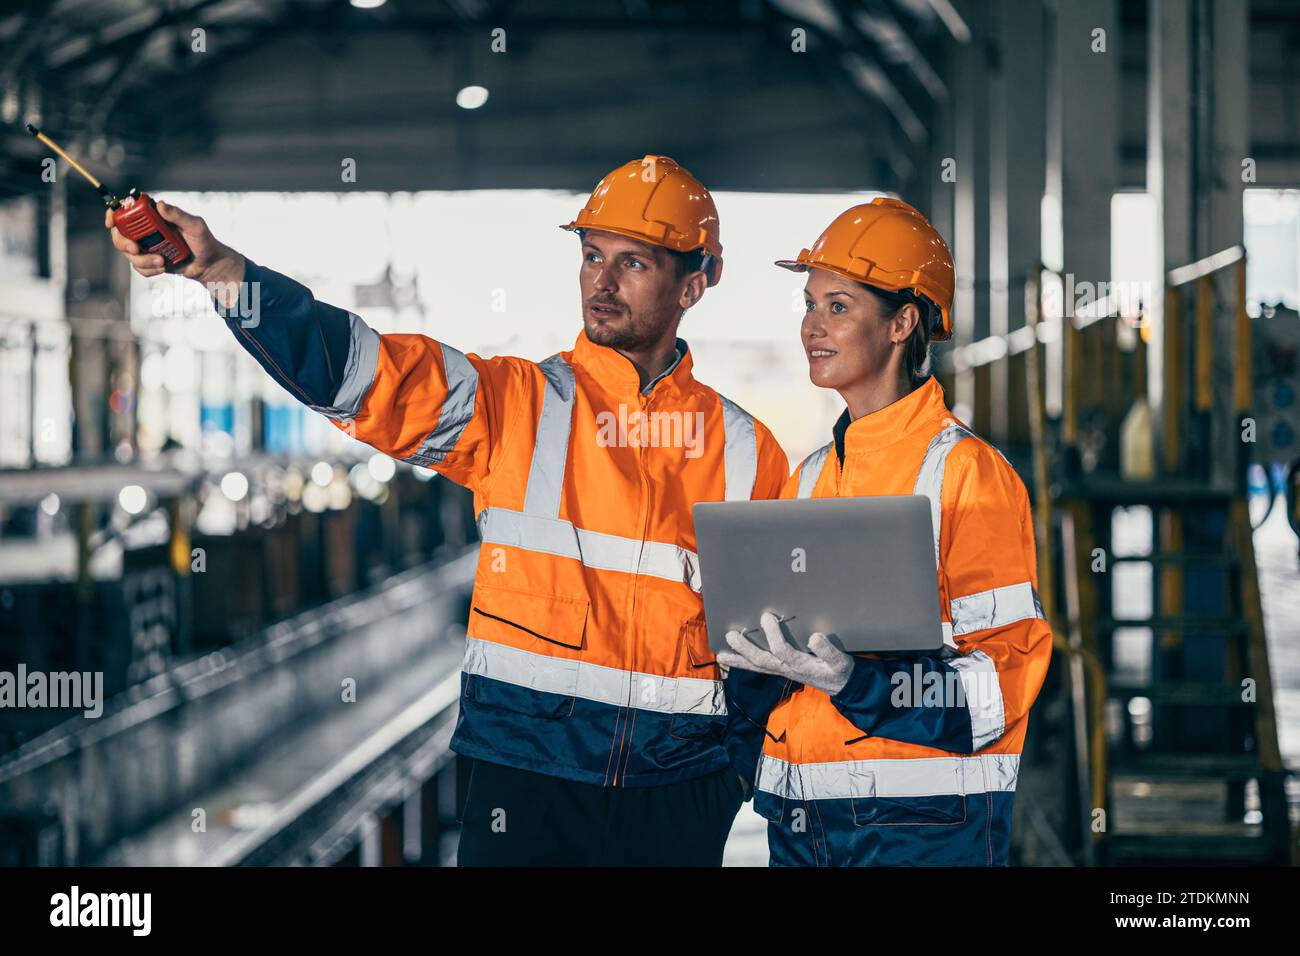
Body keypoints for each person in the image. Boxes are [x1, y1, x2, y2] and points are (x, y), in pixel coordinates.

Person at [105, 155, 789, 866]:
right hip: (525, 779)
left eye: (634, 263)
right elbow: (357, 372)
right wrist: (222, 273)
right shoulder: (515, 405)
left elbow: (771, 638)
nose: (602, 282)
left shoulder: (746, 450)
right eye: (591, 257)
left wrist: (730, 772)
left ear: (696, 281)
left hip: (675, 797)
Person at [719, 198, 1053, 866]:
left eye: (838, 306)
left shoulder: (967, 473)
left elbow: (1001, 689)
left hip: (918, 830)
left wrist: (860, 683)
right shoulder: (810, 475)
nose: (813, 325)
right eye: (809, 304)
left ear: (902, 322)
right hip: (799, 822)